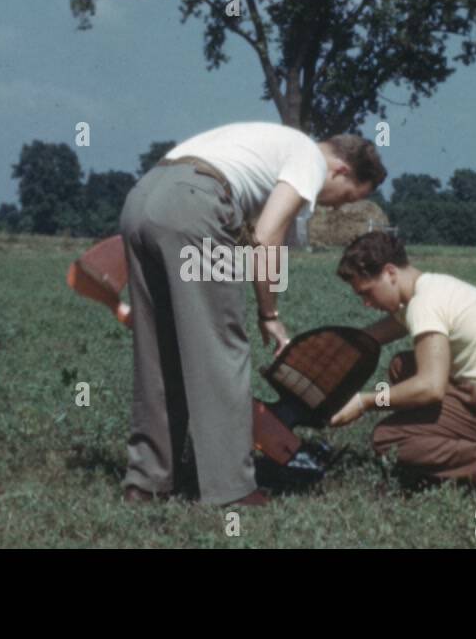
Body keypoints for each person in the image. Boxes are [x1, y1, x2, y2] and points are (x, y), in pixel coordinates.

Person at [119, 121, 387, 506]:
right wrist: (269, 313)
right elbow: (265, 238)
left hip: (142, 198)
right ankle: (232, 490)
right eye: (344, 198)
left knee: (159, 352)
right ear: (340, 170)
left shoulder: (272, 143)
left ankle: (145, 482)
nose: (333, 206)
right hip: (195, 203)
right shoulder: (310, 159)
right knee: (221, 352)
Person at [330, 231, 476, 490]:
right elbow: (369, 338)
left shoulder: (424, 304)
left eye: (368, 292)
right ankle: (440, 439)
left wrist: (364, 402)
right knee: (402, 366)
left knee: (387, 439)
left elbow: (430, 387)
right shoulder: (432, 287)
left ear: (390, 273)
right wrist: (330, 352)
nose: (366, 303)